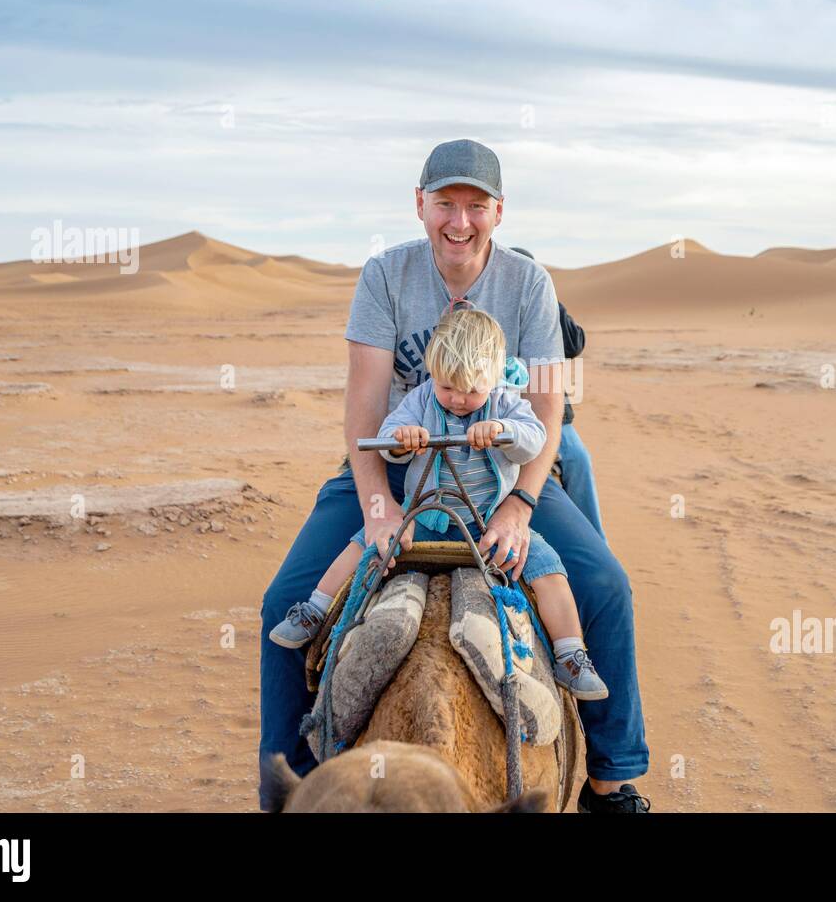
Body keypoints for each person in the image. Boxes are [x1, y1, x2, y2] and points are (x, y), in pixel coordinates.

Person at [259, 139, 650, 813]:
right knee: (280, 602)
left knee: (607, 587)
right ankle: (292, 792)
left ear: (499, 212)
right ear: (421, 205)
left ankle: (612, 779)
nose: (459, 222)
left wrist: (522, 506)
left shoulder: (531, 285)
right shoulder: (386, 276)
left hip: (501, 479)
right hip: (398, 472)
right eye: (445, 204)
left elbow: (548, 407)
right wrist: (378, 503)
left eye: (475, 206)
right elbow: (364, 405)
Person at [268, 306, 608, 700]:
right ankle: (315, 609)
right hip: (427, 514)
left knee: (548, 568)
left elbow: (534, 437)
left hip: (487, 524)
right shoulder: (422, 398)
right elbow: (389, 436)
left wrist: (502, 430)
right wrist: (403, 438)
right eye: (448, 387)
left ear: (495, 377)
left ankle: (571, 654)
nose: (459, 399)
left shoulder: (505, 401)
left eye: (472, 390)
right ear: (432, 372)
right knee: (366, 543)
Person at [507, 247, 607, 543]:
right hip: (504, 411)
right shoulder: (495, 306)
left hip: (552, 415)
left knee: (577, 460)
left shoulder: (544, 305)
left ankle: (595, 540)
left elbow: (575, 344)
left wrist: (551, 301)